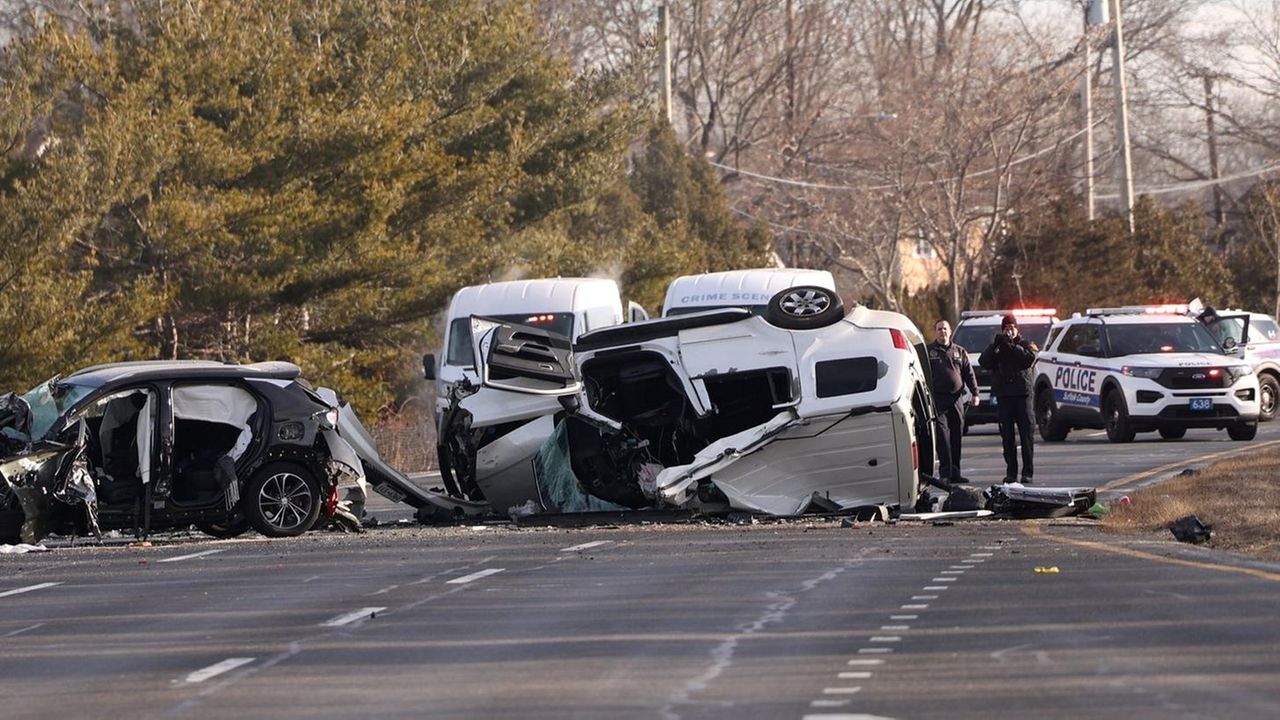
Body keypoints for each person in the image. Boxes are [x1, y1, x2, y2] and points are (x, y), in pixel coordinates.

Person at [978, 314, 1039, 483]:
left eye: (1012, 327)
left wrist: (1013, 346)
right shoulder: (998, 346)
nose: (1009, 331)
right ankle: (1011, 472)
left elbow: (1030, 359)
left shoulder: (1026, 345)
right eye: (1006, 328)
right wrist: (996, 345)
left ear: (1017, 329)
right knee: (1007, 437)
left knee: (1027, 436)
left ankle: (1028, 472)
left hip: (1023, 396)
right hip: (1004, 397)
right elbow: (984, 362)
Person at [927, 319, 979, 484]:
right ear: (935, 332)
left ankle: (955, 472)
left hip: (957, 399)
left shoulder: (959, 351)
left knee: (956, 434)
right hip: (938, 400)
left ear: (950, 332)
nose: (943, 332)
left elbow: (969, 374)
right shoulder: (929, 352)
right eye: (939, 329)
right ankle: (945, 473)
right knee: (943, 436)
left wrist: (975, 393)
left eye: (945, 329)